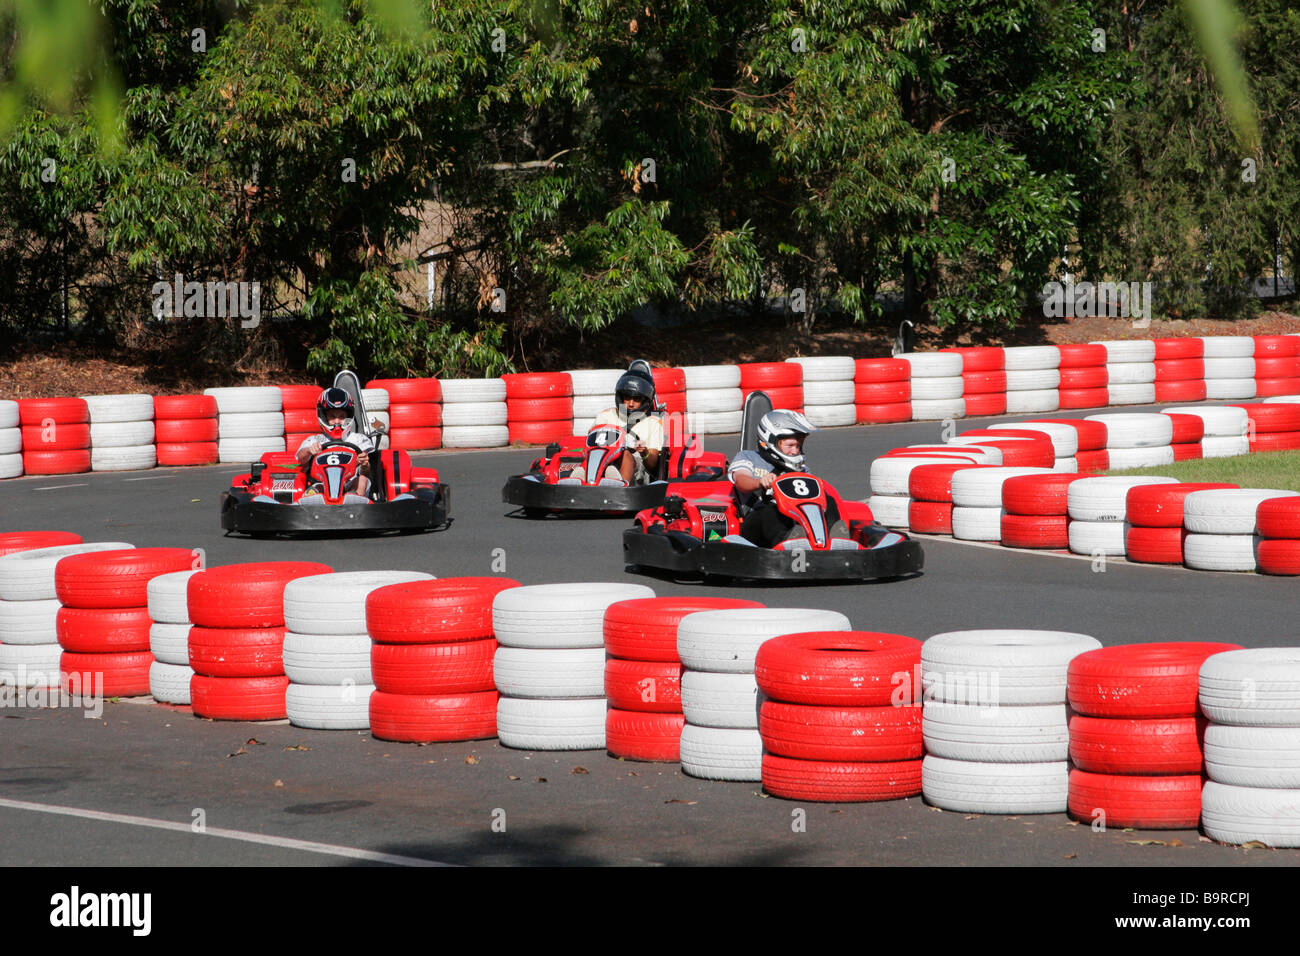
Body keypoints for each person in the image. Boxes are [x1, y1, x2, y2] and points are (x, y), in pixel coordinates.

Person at [728, 409, 843, 546]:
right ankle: (788, 542)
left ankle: (835, 538)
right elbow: (741, 481)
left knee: (827, 500)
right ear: (770, 441)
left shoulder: (801, 469)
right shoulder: (748, 457)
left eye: (798, 446)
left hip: (794, 521)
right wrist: (759, 482)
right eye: (790, 446)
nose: (795, 451)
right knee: (770, 511)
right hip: (755, 524)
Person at [575, 362, 665, 484]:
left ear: (645, 400)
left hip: (637, 467)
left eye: (636, 399)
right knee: (594, 454)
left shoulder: (653, 422)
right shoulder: (606, 415)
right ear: (620, 397)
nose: (631, 403)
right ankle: (578, 479)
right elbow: (591, 445)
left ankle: (620, 485)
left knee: (625, 454)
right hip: (602, 460)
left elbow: (653, 464)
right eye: (627, 398)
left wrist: (644, 451)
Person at [296, 387, 375, 497]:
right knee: (314, 489)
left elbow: (368, 470)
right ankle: (309, 505)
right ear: (324, 417)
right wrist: (309, 451)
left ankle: (355, 502)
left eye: (341, 417)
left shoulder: (359, 440)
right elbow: (300, 459)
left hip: (350, 485)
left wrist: (365, 464)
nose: (337, 421)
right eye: (332, 417)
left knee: (362, 479)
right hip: (323, 485)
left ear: (348, 417)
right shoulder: (315, 440)